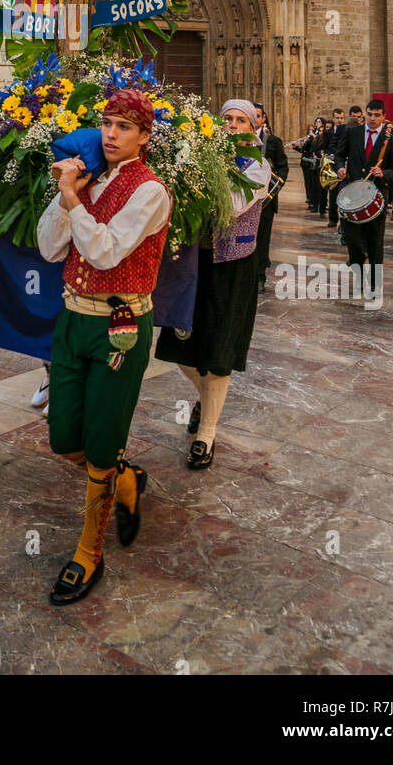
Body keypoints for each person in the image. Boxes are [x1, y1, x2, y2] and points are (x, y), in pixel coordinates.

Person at [36, 88, 170, 606]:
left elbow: (107, 252)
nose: (111, 134)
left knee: (99, 446)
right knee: (63, 439)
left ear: (144, 136)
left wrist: (74, 199)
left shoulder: (150, 191)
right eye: (106, 123)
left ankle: (90, 551)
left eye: (124, 126)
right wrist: (66, 192)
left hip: (121, 324)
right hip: (73, 318)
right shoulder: (86, 179)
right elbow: (51, 248)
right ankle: (125, 477)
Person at [156, 100, 272, 470]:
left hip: (232, 266)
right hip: (193, 263)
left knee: (219, 353)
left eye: (241, 121)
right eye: (227, 120)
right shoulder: (199, 159)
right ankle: (207, 400)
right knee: (180, 347)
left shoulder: (258, 167)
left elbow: (230, 207)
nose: (233, 126)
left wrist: (196, 177)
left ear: (254, 128)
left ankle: (207, 433)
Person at [333, 98, 393, 299]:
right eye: (369, 114)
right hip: (352, 195)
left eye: (377, 115)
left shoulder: (392, 140)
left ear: (384, 116)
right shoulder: (352, 132)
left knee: (375, 242)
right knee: (353, 243)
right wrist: (340, 168)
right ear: (365, 114)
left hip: (376, 198)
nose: (372, 118)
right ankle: (359, 275)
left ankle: (374, 284)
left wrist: (384, 173)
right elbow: (339, 154)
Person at [253, 105, 288, 294]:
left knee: (262, 239)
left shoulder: (273, 141)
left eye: (257, 116)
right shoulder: (239, 139)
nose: (254, 119)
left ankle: (260, 276)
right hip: (245, 199)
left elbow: (283, 167)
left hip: (266, 200)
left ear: (264, 118)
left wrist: (274, 189)